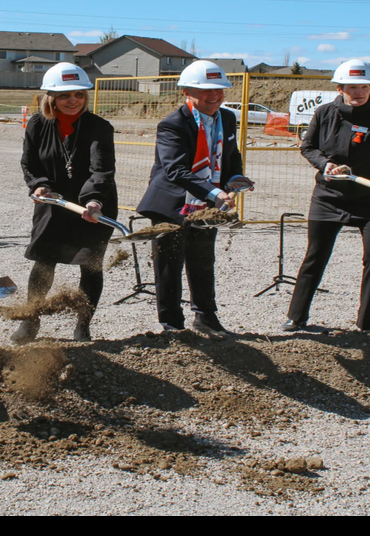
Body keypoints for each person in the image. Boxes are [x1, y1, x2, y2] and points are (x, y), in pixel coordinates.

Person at [283, 59, 370, 333]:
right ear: (340, 88)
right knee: (315, 255)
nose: (359, 92)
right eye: (352, 87)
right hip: (329, 196)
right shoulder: (325, 113)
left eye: (364, 87)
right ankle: (296, 317)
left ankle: (367, 324)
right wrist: (325, 165)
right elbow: (308, 147)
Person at [135, 60, 253, 335]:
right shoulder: (172, 124)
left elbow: (231, 156)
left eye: (219, 90)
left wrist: (235, 179)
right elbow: (175, 169)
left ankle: (206, 317)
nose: (215, 96)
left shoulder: (227, 118)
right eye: (206, 91)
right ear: (187, 92)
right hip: (172, 204)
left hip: (207, 202)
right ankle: (172, 324)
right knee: (169, 266)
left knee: (202, 260)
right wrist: (215, 192)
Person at [15, 62, 118, 343]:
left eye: (79, 95)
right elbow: (29, 163)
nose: (73, 101)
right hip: (53, 202)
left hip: (94, 203)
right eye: (65, 96)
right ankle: (30, 321)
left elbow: (102, 170)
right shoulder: (37, 124)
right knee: (44, 260)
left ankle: (83, 325)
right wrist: (39, 185)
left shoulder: (99, 127)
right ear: (51, 98)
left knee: (91, 265)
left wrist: (94, 201)